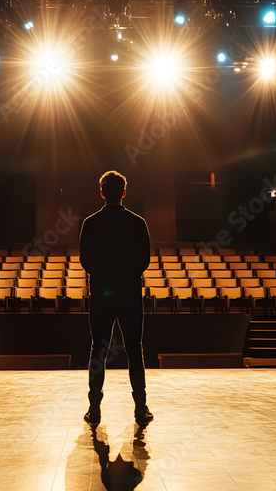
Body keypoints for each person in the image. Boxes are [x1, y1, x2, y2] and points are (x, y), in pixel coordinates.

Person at [80, 170, 152, 425]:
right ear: (124, 192)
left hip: (101, 294)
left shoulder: (90, 223)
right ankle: (140, 408)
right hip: (129, 293)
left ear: (102, 192)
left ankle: (94, 409)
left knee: (97, 351)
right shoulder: (137, 222)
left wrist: (105, 276)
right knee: (135, 350)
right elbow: (144, 259)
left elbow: (85, 260)